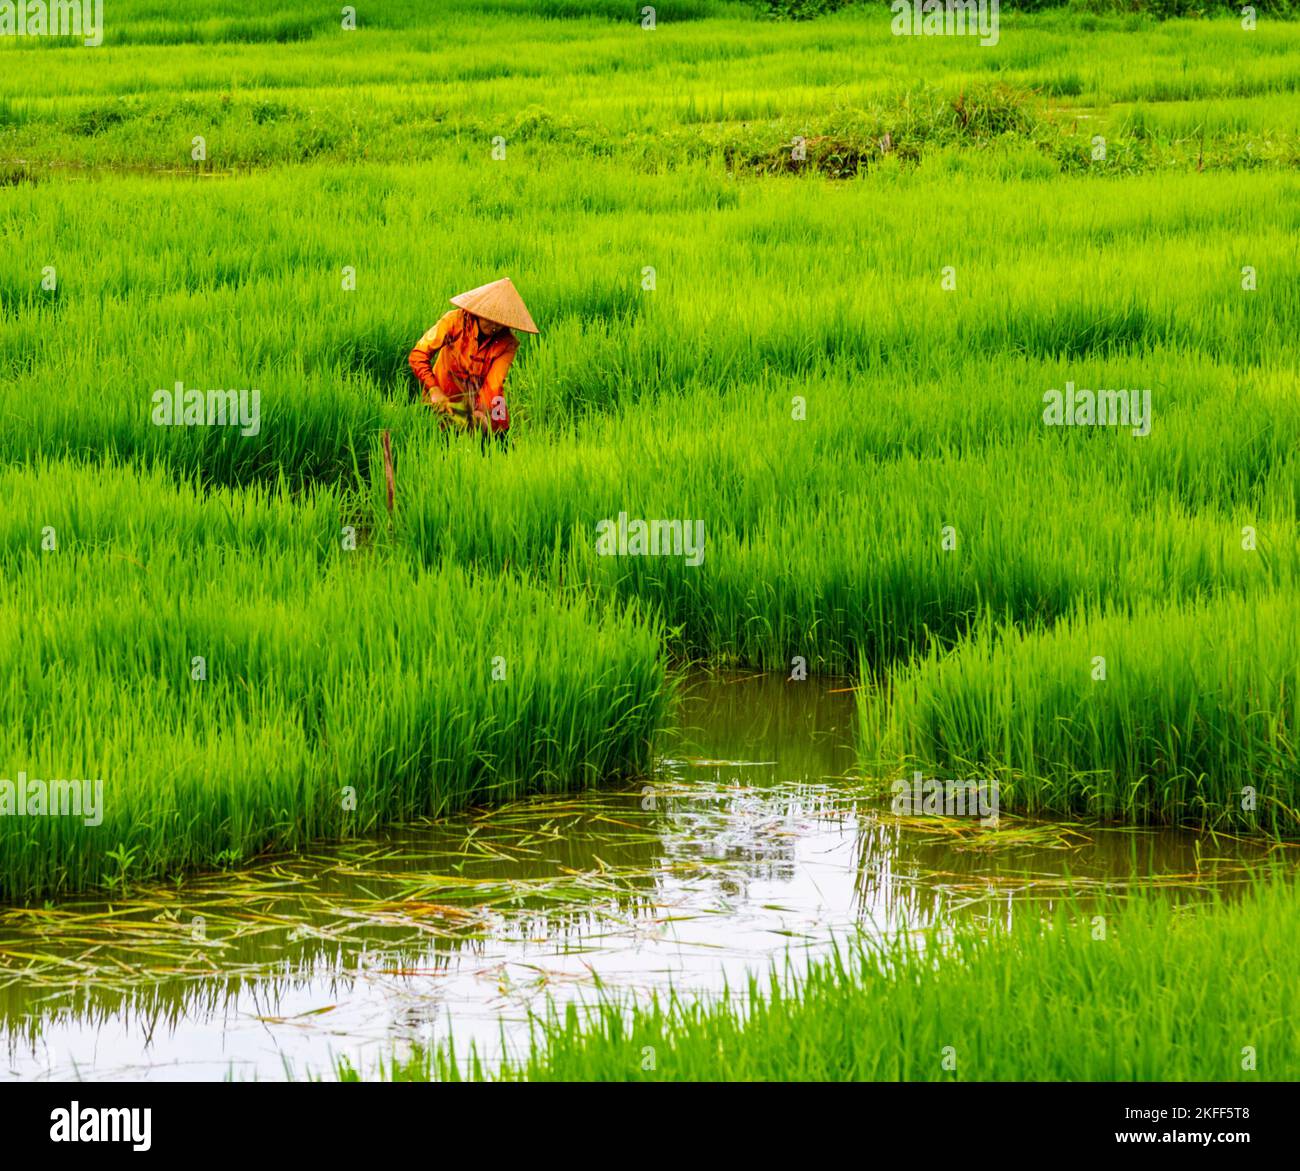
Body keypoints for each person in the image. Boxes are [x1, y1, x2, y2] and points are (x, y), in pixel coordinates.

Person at [407, 277, 538, 437]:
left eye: (500, 322)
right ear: (478, 312)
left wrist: (480, 412)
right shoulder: (454, 321)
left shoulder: (507, 344)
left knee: (496, 435)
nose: (494, 327)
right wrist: (434, 389)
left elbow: (493, 385)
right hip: (441, 399)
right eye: (489, 319)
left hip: (479, 404)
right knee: (439, 439)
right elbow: (418, 355)